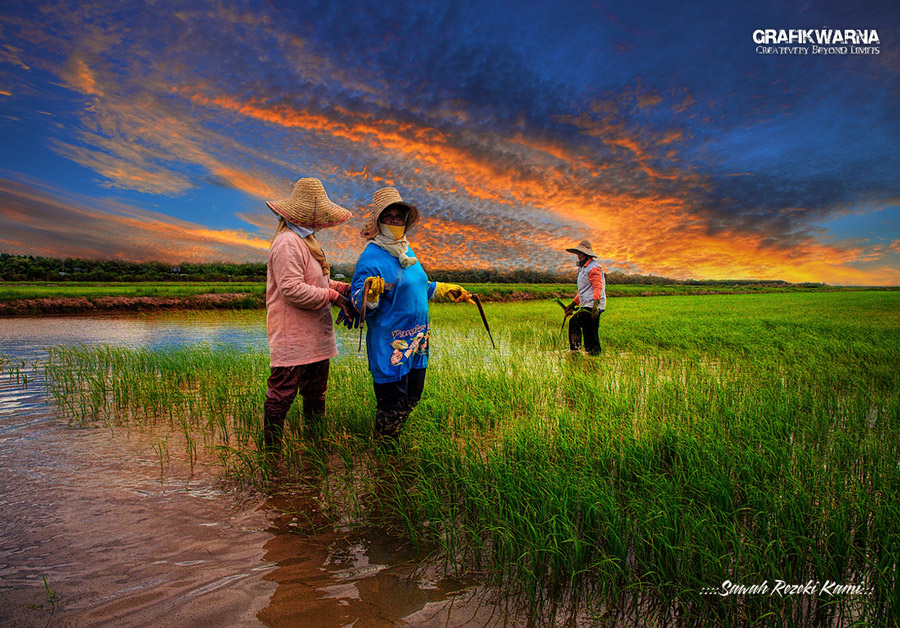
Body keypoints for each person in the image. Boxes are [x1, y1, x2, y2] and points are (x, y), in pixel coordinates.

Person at [350, 187, 469, 441]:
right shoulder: (371, 258)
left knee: (413, 396)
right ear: (378, 221)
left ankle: (391, 446)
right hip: (391, 344)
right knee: (392, 405)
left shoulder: (406, 253)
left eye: (399, 216)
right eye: (389, 216)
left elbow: (418, 287)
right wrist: (369, 296)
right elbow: (357, 297)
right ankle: (384, 460)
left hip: (417, 343)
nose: (395, 221)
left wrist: (442, 289)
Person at [262, 177, 355, 459]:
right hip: (293, 336)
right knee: (281, 396)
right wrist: (334, 297)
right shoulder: (288, 242)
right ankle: (271, 454)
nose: (317, 220)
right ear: (298, 213)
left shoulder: (307, 241)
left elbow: (317, 283)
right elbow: (292, 290)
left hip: (315, 337)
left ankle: (313, 449)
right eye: (313, 214)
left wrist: (344, 289)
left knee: (316, 394)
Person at [564, 239, 606, 355]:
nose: (579, 256)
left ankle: (575, 351)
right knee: (589, 332)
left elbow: (597, 286)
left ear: (587, 254)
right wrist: (573, 304)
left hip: (593, 304)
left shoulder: (594, 268)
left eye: (581, 253)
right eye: (578, 253)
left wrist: (595, 304)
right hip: (587, 303)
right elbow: (583, 291)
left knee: (575, 322)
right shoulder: (583, 268)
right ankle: (592, 357)